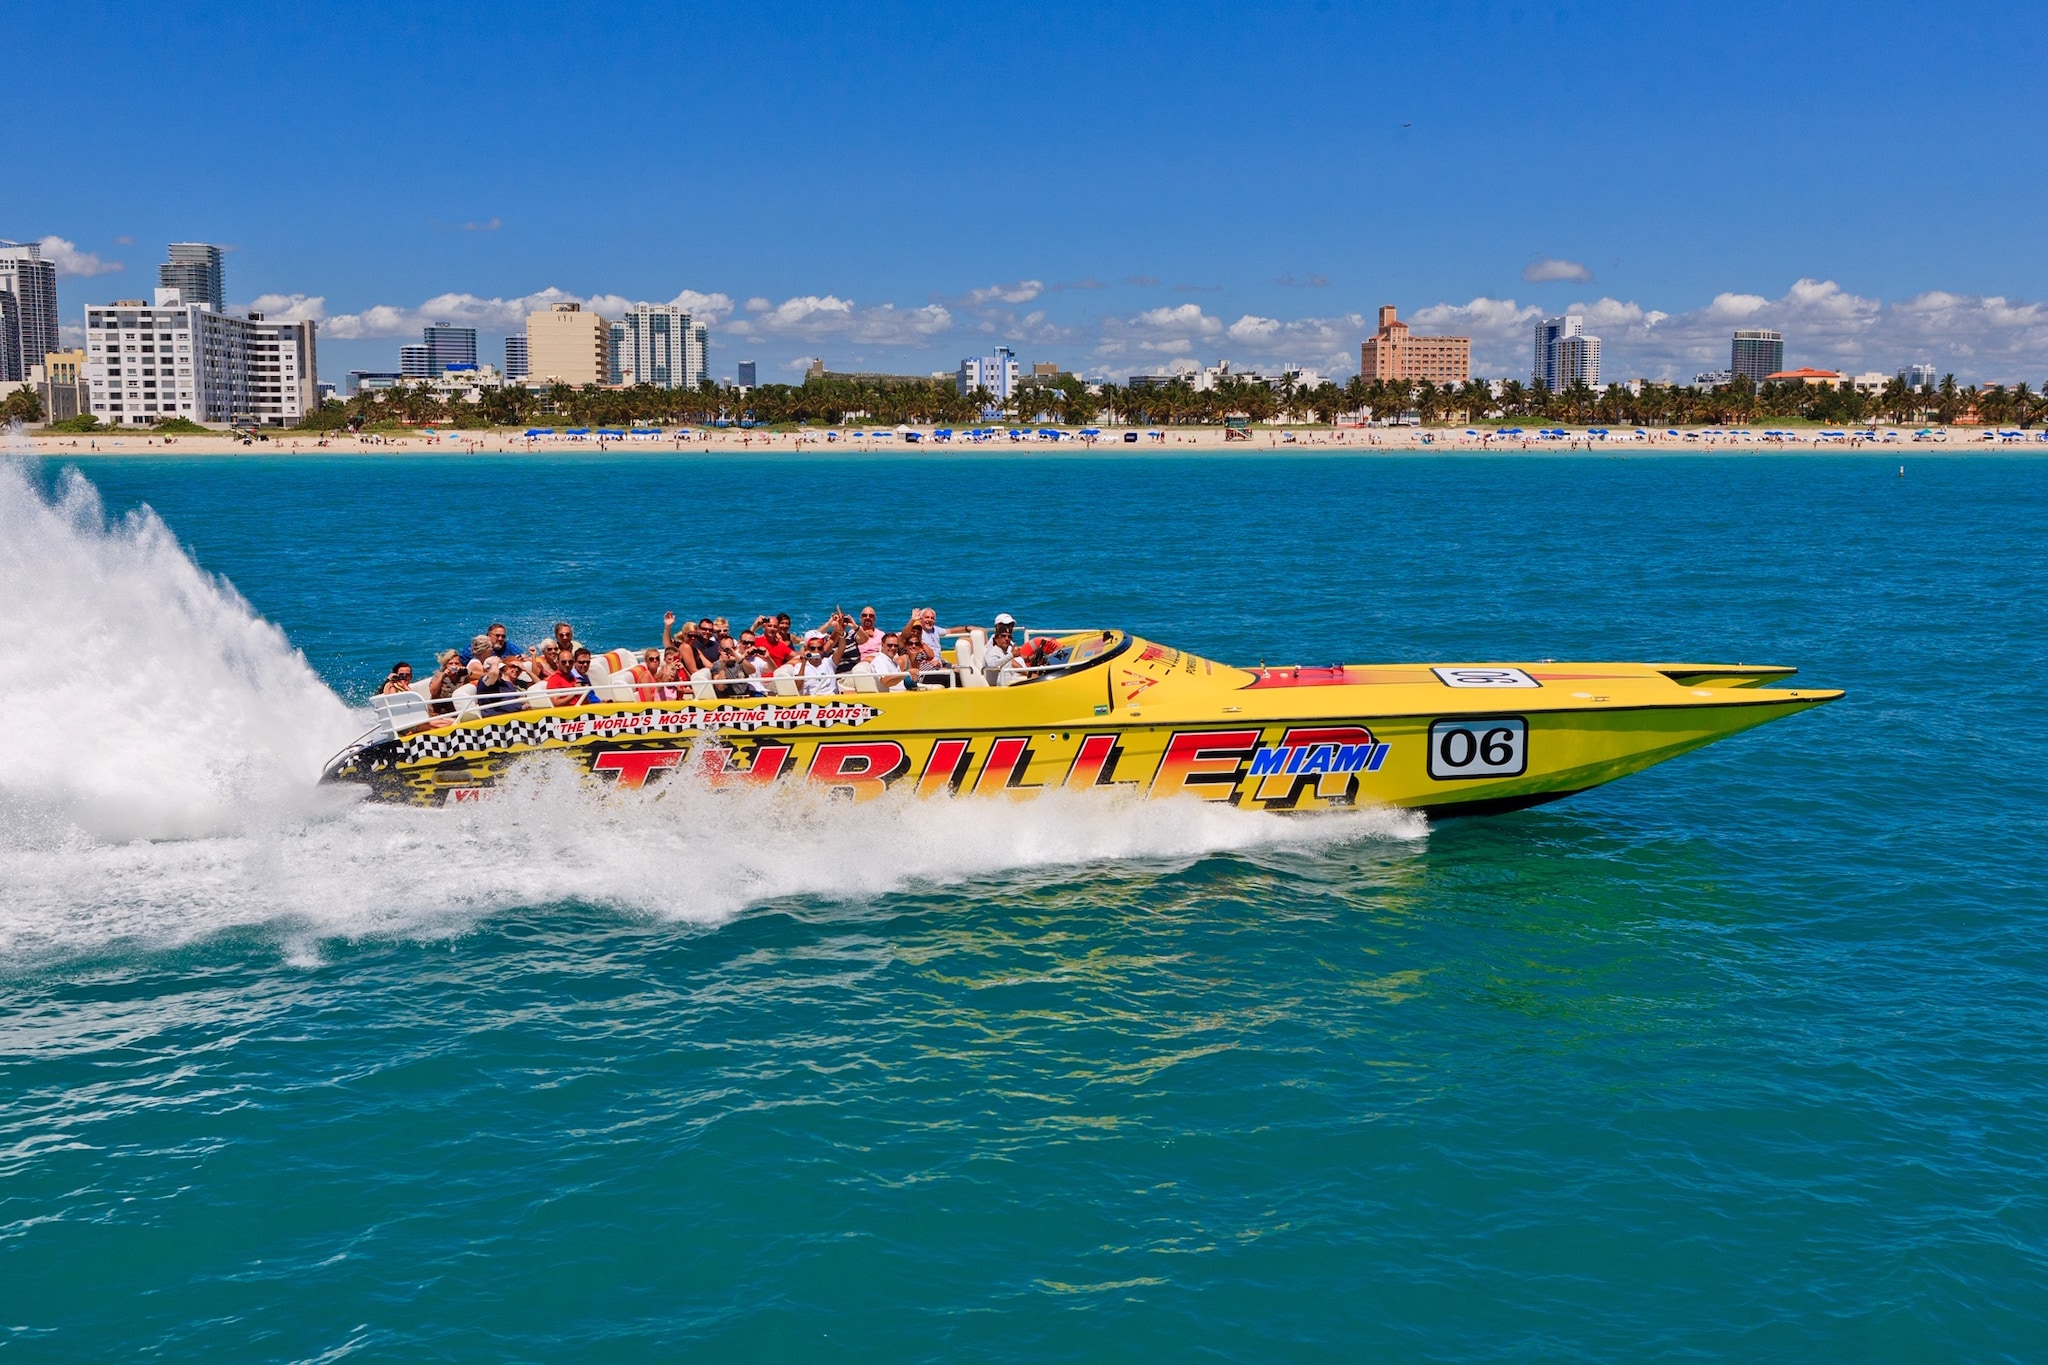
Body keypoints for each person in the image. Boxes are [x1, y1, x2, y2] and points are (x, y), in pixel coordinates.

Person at [982, 616, 1018, 684]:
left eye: (1009, 637)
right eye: (1003, 636)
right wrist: (1012, 655)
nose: (1007, 639)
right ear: (996, 639)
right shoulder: (991, 651)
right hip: (1000, 687)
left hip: (1011, 684)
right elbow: (993, 665)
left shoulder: (1004, 652)